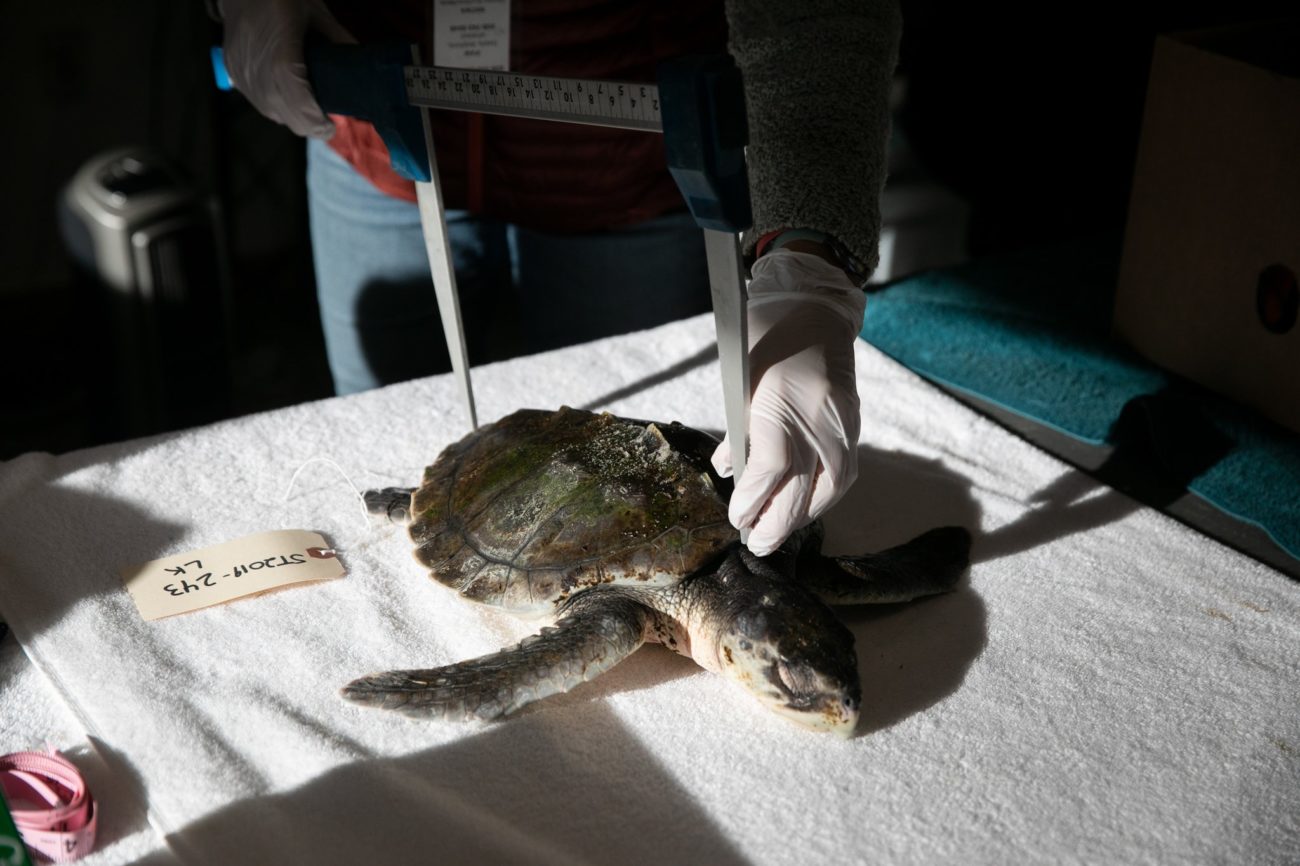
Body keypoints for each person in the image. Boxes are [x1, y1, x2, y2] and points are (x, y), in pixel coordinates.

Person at [217, 0, 898, 557]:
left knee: (623, 492)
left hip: (634, 165)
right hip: (375, 124)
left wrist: (807, 268)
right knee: (378, 466)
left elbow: (814, 16)